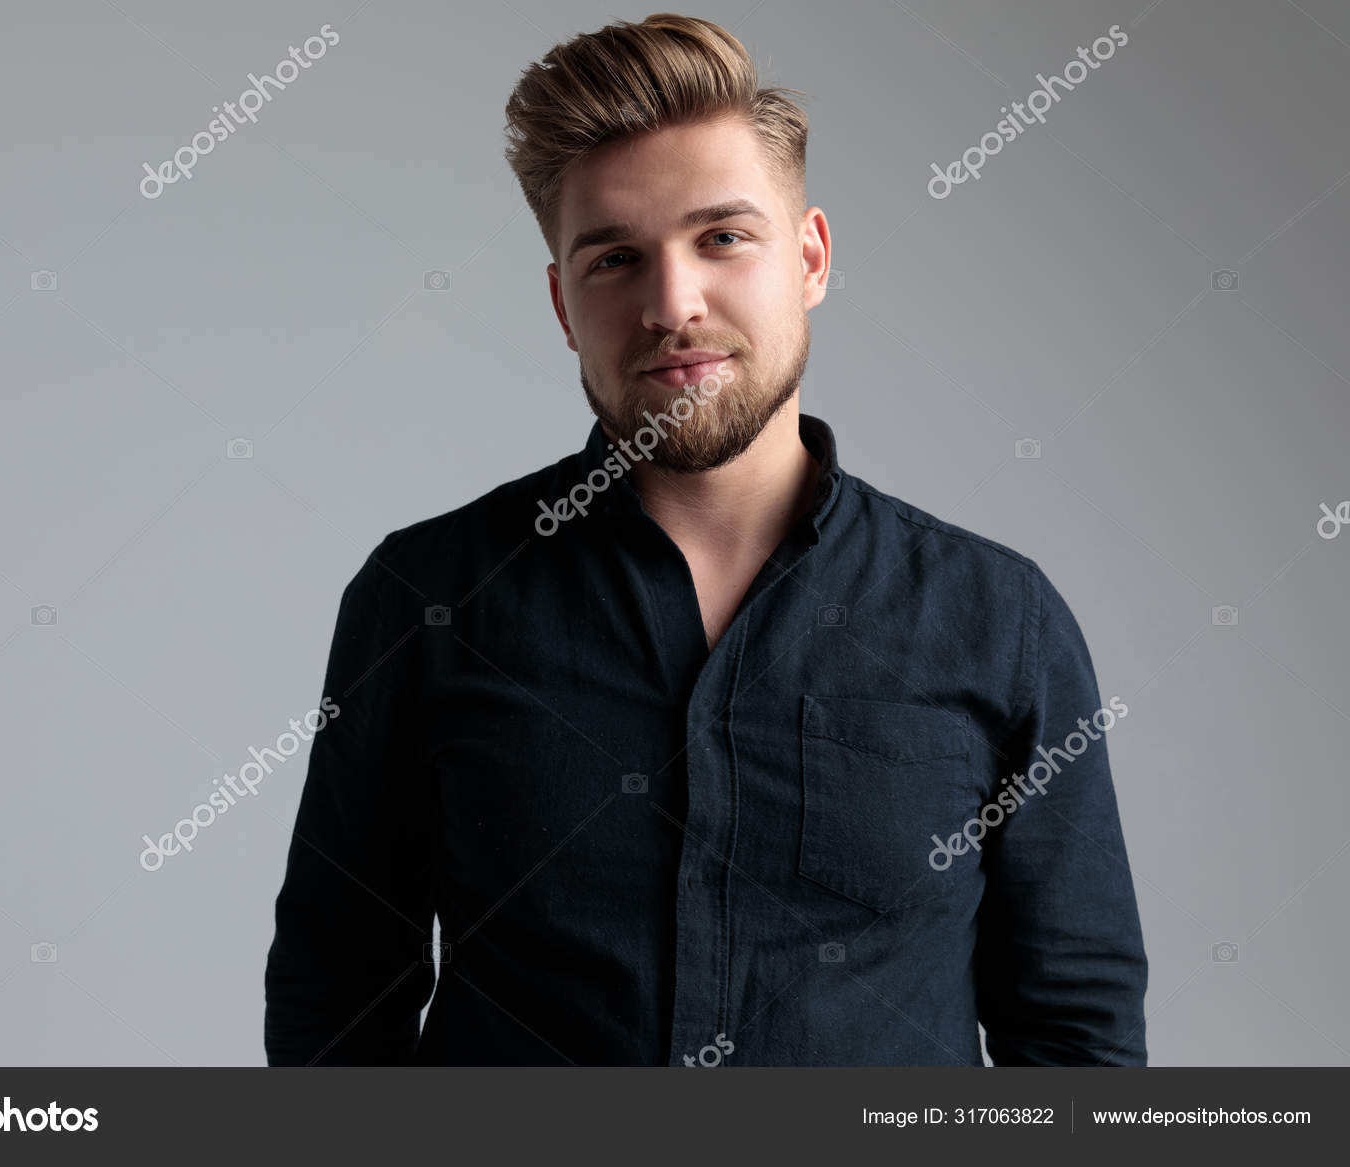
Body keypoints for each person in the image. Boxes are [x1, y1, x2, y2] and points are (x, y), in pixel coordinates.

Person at [264, 12, 1148, 1066]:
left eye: (722, 238)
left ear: (810, 257)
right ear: (562, 304)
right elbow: (337, 997)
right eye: (614, 258)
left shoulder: (998, 619)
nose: (671, 303)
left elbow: (1075, 1034)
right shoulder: (426, 596)